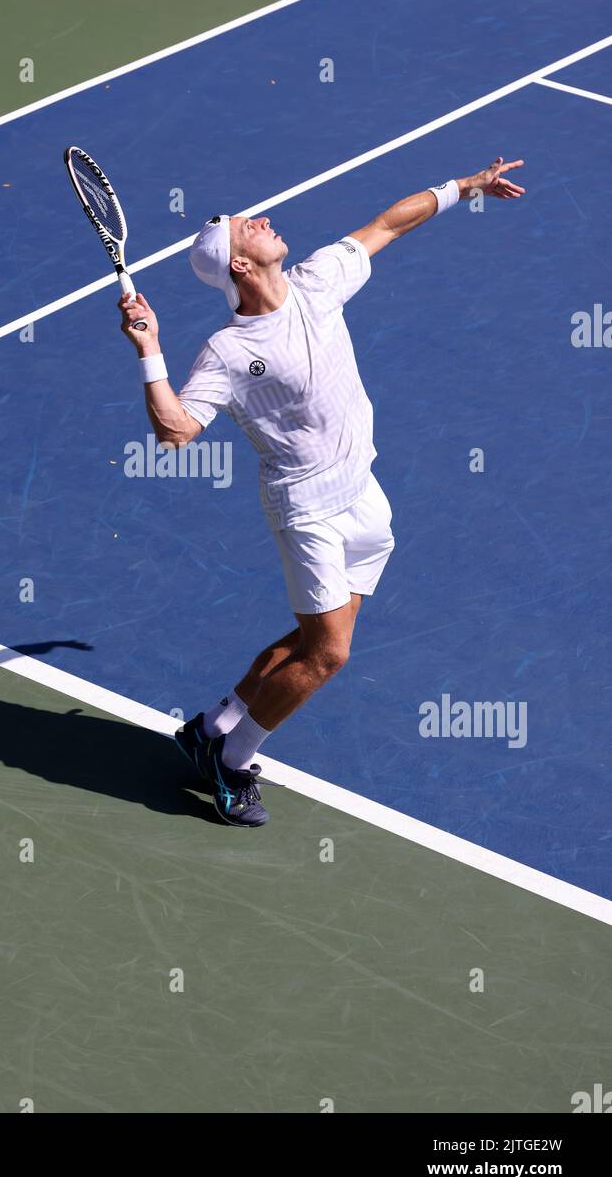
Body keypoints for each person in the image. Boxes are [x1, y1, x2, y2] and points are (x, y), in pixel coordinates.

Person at [119, 157, 525, 827]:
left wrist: (465, 187)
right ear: (239, 267)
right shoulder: (227, 350)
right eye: (252, 227)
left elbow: (386, 226)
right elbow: (174, 432)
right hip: (306, 508)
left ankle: (212, 726)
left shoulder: (315, 281)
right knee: (329, 653)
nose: (267, 221)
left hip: (363, 494)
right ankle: (230, 762)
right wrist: (149, 348)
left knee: (311, 638)